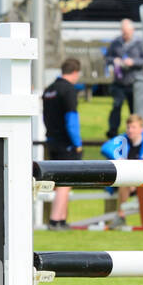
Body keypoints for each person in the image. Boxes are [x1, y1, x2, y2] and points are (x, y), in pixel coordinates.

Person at [42, 58, 83, 230]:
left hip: (51, 140)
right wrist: (77, 143)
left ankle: (62, 219)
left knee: (59, 181)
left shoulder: (49, 90)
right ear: (75, 72)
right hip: (66, 142)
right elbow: (71, 119)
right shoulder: (68, 90)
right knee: (64, 183)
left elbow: (45, 117)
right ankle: (56, 220)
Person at [101, 113, 143, 228]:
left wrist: (136, 181)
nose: (130, 130)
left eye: (133, 127)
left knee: (126, 182)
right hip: (123, 182)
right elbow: (105, 147)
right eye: (128, 127)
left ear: (141, 129)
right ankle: (111, 221)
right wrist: (118, 158)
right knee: (120, 182)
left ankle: (120, 216)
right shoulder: (123, 139)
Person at [105, 18, 143, 138]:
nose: (125, 34)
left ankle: (136, 133)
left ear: (132, 31)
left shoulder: (140, 43)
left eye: (127, 32)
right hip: (119, 82)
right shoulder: (115, 43)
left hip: (134, 82)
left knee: (135, 109)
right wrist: (115, 60)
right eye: (123, 32)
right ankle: (113, 132)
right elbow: (107, 58)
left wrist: (133, 62)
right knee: (116, 106)